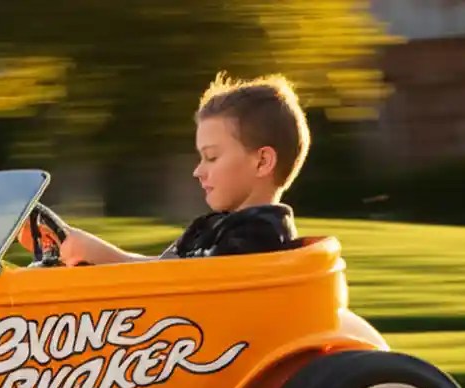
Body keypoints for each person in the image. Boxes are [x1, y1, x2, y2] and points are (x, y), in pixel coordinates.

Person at [20, 72, 311, 265]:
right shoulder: (214, 227)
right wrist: (84, 253)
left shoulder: (257, 237)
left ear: (262, 162)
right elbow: (164, 268)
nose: (198, 171)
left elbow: (181, 283)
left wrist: (103, 256)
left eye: (211, 157)